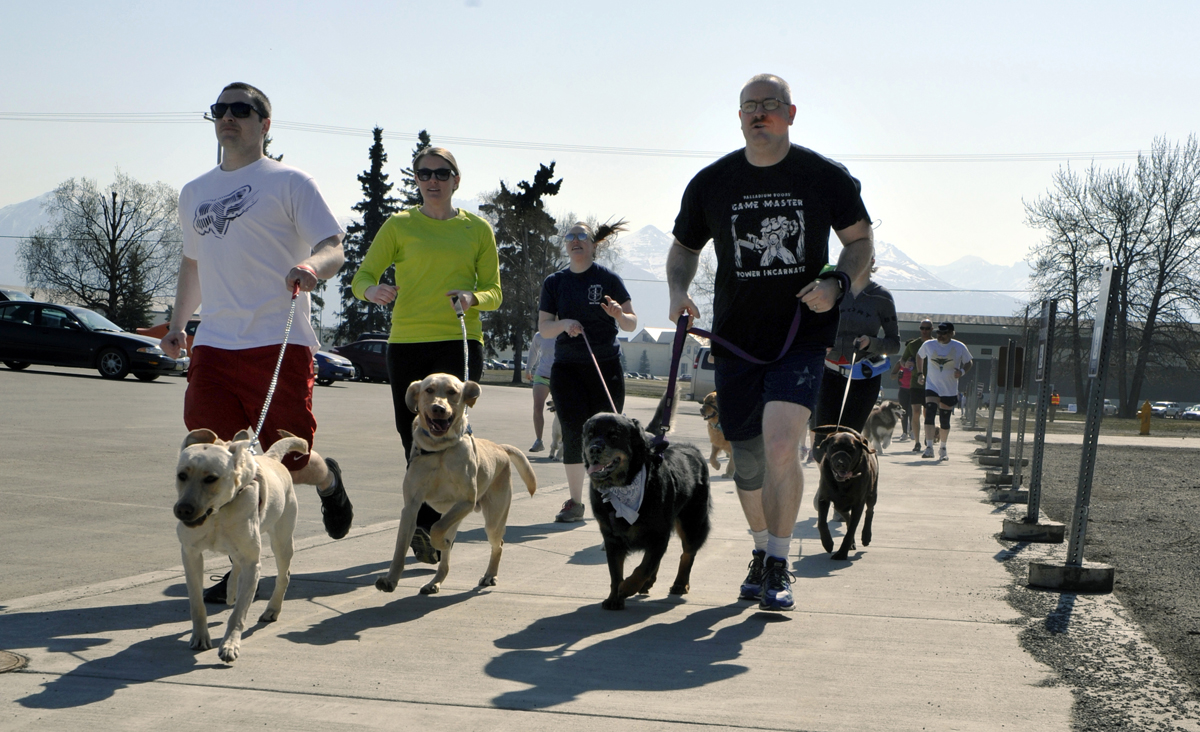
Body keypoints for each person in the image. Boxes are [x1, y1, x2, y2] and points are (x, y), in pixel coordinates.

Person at [667, 73, 873, 612]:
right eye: (749, 107)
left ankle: (780, 562)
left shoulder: (823, 176)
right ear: (739, 117)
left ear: (791, 112)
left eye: (769, 105)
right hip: (736, 340)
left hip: (800, 336)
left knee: (783, 443)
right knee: (749, 460)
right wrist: (677, 292)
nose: (759, 114)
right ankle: (761, 550)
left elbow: (860, 242)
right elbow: (684, 249)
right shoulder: (712, 182)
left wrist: (838, 283)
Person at [163, 82, 353, 604]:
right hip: (215, 347)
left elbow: (334, 244)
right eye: (220, 110)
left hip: (278, 342)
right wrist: (179, 324)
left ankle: (329, 480)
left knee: (288, 462)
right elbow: (193, 263)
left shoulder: (289, 182)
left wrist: (313, 266)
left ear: (265, 124)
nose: (229, 118)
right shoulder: (194, 191)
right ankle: (239, 562)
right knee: (219, 467)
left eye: (241, 110)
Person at [352, 146, 501, 562]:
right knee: (411, 435)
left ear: (456, 180)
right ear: (416, 180)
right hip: (408, 342)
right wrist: (372, 290)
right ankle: (423, 527)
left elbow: (495, 292)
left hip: (458, 339)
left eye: (441, 173)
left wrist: (473, 297)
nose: (432, 180)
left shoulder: (477, 229)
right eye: (423, 174)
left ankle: (442, 522)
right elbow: (362, 276)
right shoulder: (399, 225)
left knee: (453, 437)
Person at [538, 220, 638, 522]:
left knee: (608, 435)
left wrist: (620, 314)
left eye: (582, 235)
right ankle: (575, 502)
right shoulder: (554, 283)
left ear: (594, 244)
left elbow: (632, 323)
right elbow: (544, 329)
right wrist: (564, 324)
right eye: (570, 236)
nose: (575, 240)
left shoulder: (608, 279)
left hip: (605, 366)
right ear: (565, 244)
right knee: (572, 432)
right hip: (567, 368)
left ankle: (612, 498)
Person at [812, 259, 899, 433]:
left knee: (849, 439)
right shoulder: (834, 292)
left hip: (864, 377)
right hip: (829, 373)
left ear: (871, 260)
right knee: (823, 440)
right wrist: (821, 343)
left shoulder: (882, 296)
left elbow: (894, 344)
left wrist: (871, 343)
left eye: (862, 255)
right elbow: (811, 327)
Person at [917, 322, 973, 461]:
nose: (940, 336)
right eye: (938, 333)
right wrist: (920, 373)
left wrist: (962, 371)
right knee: (929, 412)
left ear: (951, 333)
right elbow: (919, 356)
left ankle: (943, 447)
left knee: (944, 419)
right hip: (932, 385)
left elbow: (969, 362)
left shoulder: (959, 346)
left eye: (944, 333)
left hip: (949, 388)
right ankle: (929, 447)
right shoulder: (929, 345)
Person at [897, 319, 934, 452]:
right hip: (915, 383)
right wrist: (905, 364)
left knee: (928, 413)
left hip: (932, 384)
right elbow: (902, 359)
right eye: (922, 328)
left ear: (932, 329)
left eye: (927, 328)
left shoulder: (935, 344)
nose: (924, 331)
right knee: (915, 412)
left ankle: (928, 437)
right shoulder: (913, 345)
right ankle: (917, 442)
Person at [526, 331, 555, 452]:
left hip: (560, 376)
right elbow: (533, 351)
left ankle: (564, 442)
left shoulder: (567, 331)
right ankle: (539, 441)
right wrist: (528, 368)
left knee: (562, 411)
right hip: (541, 374)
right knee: (537, 407)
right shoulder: (541, 334)